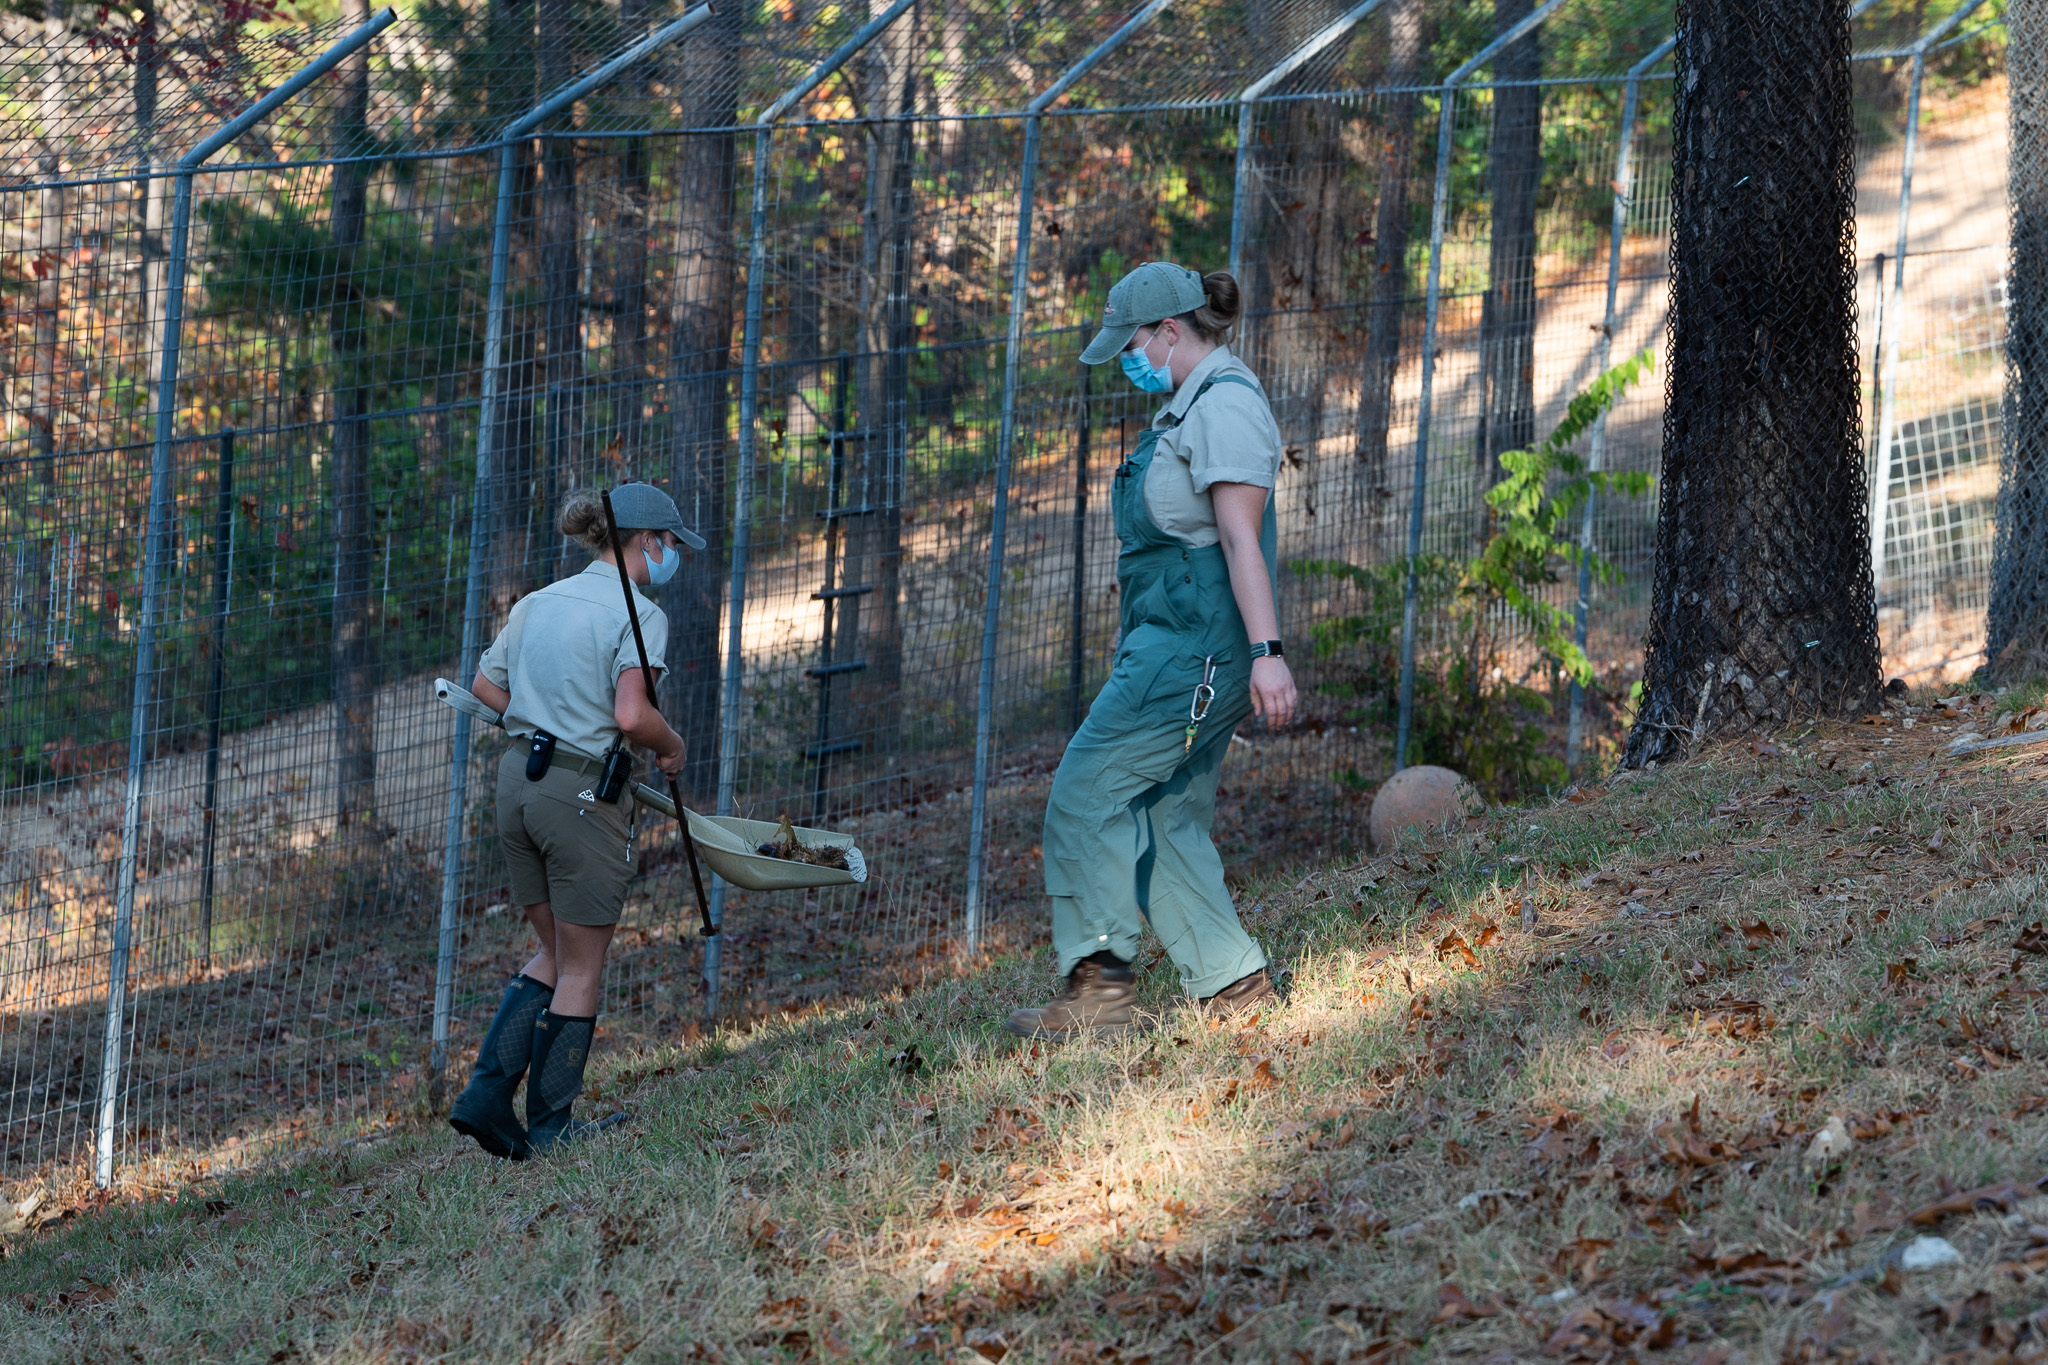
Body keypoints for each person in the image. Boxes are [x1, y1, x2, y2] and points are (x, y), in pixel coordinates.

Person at [1007, 263, 1298, 1041]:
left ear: (1171, 331)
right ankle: (1235, 985)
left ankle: (1099, 999)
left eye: (1132, 344)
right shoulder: (1187, 405)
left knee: (1084, 792)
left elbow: (1243, 541)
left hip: (1196, 655)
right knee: (1162, 812)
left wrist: (1268, 652)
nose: (1127, 362)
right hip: (1171, 644)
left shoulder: (1226, 406)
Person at [448, 482, 703, 1158]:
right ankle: (554, 1125)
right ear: (647, 540)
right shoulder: (637, 612)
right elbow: (630, 716)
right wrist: (672, 745)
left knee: (555, 953)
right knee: (583, 965)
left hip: (516, 787)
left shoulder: (539, 601)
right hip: (581, 796)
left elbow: (484, 687)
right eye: (672, 543)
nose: (673, 555)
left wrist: (544, 720)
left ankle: (484, 1096)